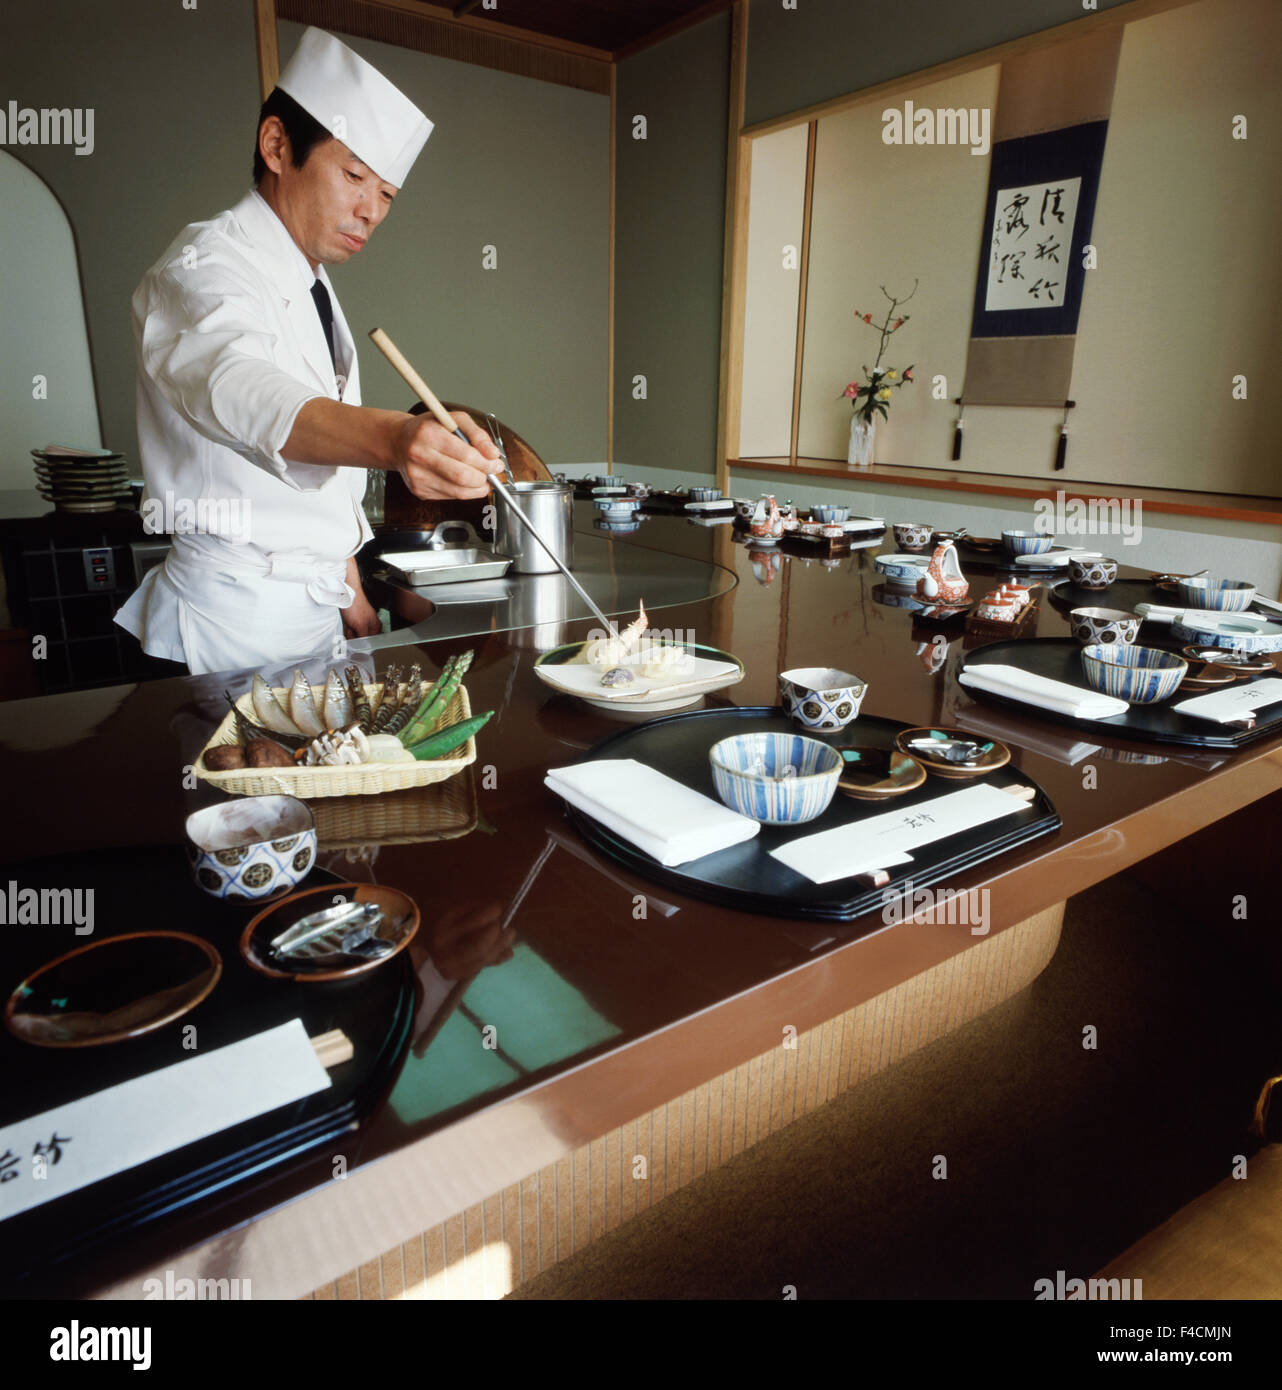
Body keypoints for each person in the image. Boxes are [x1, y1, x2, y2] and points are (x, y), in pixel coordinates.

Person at [116, 27, 501, 675]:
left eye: (386, 194)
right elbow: (240, 389)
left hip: (312, 609)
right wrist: (396, 439)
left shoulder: (309, 279)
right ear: (276, 145)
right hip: (227, 622)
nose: (370, 211)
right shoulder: (202, 268)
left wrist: (347, 572)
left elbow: (315, 475)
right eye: (354, 175)